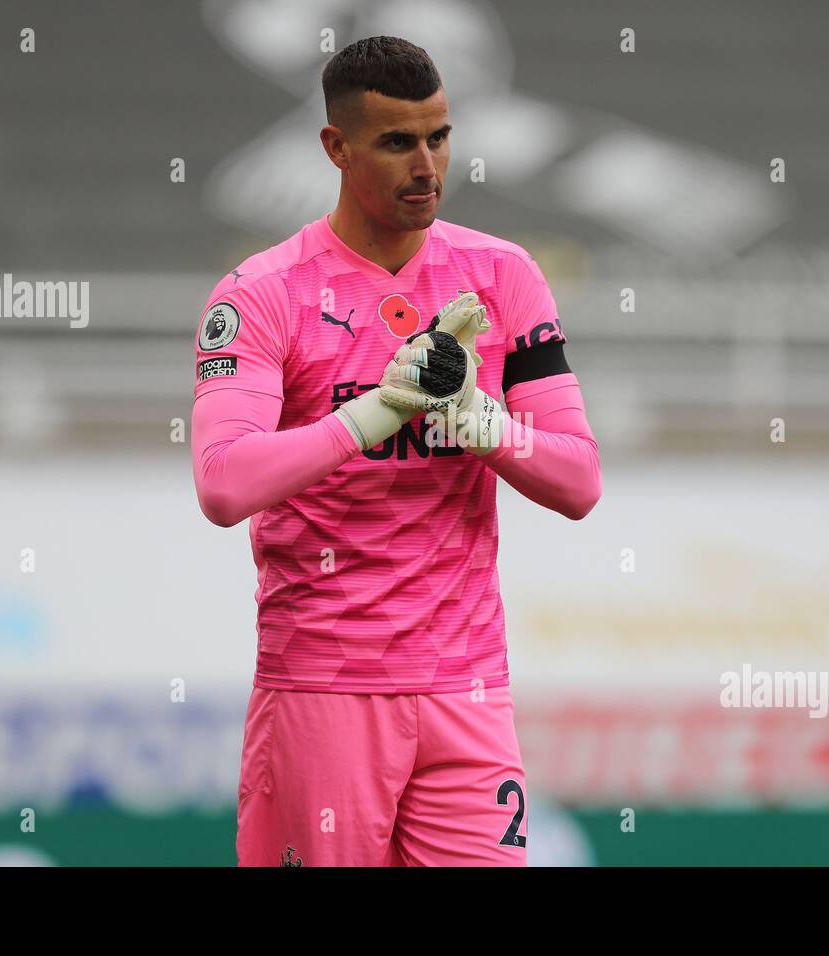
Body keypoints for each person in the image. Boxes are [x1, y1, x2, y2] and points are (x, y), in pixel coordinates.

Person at [191, 35, 600, 866]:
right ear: (335, 147)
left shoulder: (502, 274)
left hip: (469, 687)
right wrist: (378, 412)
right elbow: (224, 483)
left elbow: (579, 479)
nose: (426, 165)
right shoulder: (262, 292)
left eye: (439, 137)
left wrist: (481, 422)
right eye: (396, 142)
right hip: (324, 692)